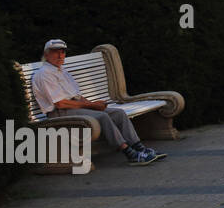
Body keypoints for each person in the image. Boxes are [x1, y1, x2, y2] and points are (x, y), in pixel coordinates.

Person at [31, 39, 164, 164]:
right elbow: (60, 103)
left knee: (119, 113)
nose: (60, 55)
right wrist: (92, 105)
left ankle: (140, 148)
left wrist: (95, 105)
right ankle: (129, 153)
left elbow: (77, 96)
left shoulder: (62, 71)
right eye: (55, 52)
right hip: (58, 113)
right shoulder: (44, 74)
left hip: (73, 108)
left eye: (62, 52)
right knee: (102, 116)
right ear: (46, 54)